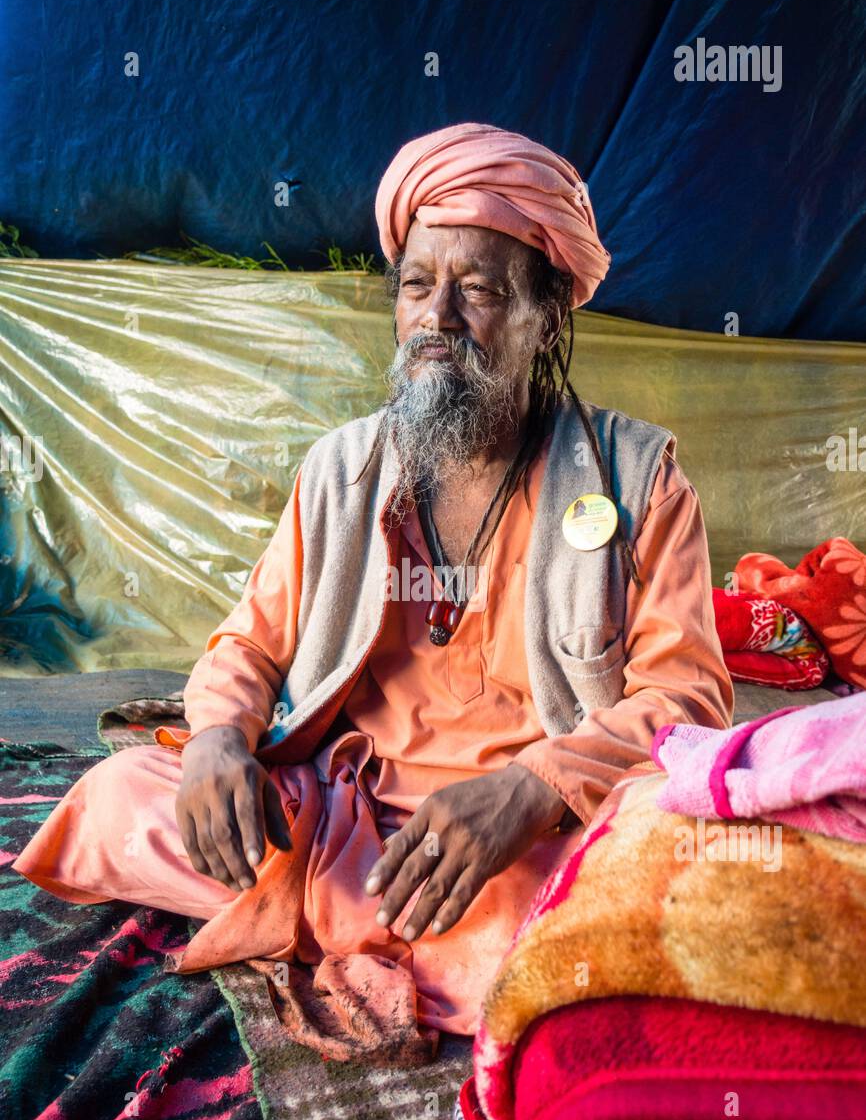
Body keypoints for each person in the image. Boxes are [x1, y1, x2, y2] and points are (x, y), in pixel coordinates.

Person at [13, 123, 733, 1047]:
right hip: (333, 811)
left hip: (522, 841)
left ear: (545, 315)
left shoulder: (639, 479)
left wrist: (532, 787)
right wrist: (217, 744)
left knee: (640, 896)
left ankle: (332, 926)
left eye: (476, 290)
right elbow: (250, 643)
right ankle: (415, 946)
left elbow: (688, 703)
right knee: (124, 799)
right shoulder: (342, 469)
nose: (438, 318)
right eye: (419, 286)